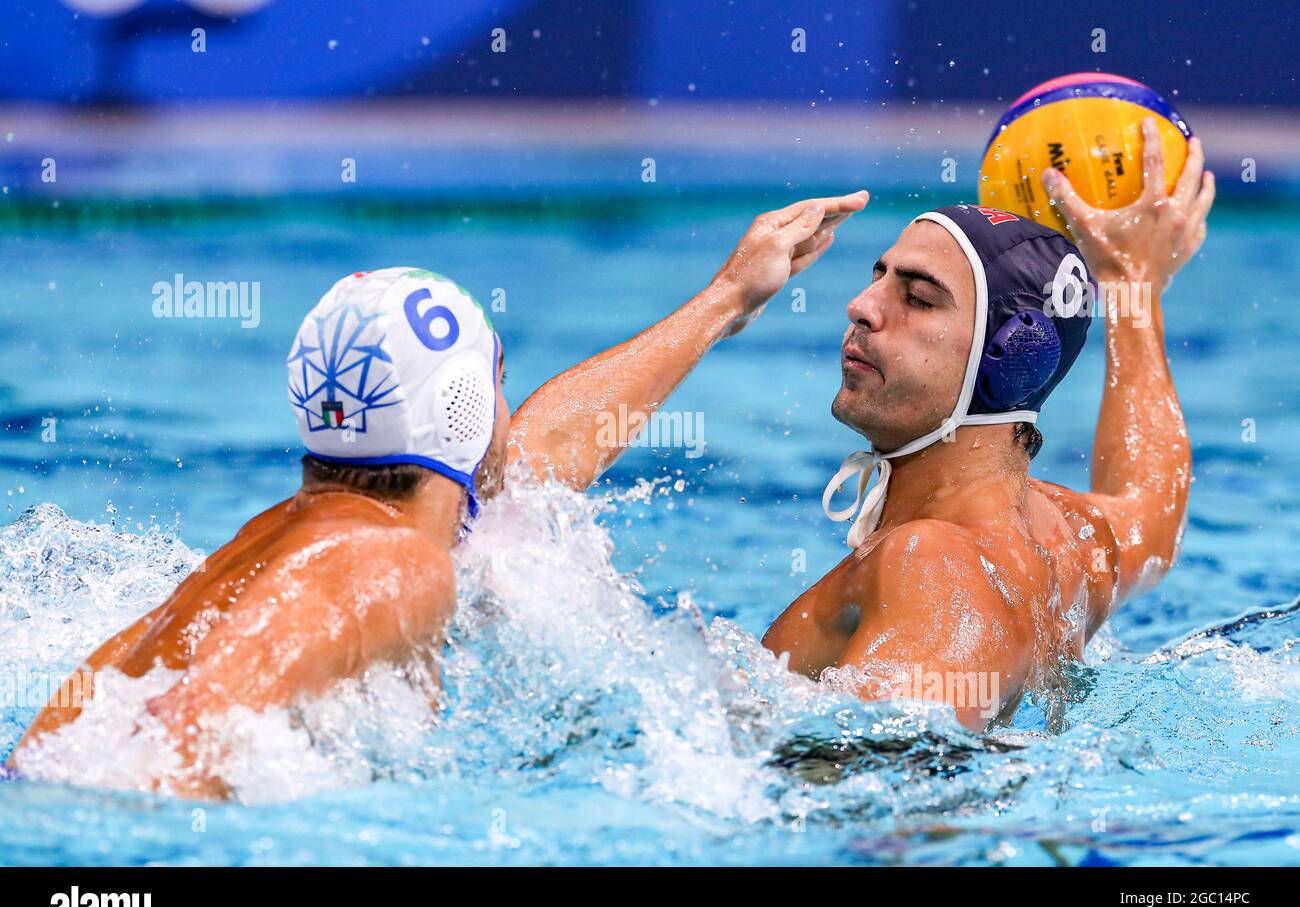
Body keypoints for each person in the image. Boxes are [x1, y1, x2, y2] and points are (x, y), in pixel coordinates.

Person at [5, 194, 861, 797]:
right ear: (457, 414)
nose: (509, 416)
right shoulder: (393, 564)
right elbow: (189, 732)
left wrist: (726, 300)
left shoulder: (318, 527)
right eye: (497, 384)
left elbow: (536, 456)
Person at [515, 119, 1214, 728]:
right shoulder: (1068, 542)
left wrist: (725, 301)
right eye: (878, 278)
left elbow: (515, 488)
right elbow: (1154, 508)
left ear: (1010, 358)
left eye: (917, 297)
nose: (861, 305)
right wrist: (1132, 289)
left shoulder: (931, 567)